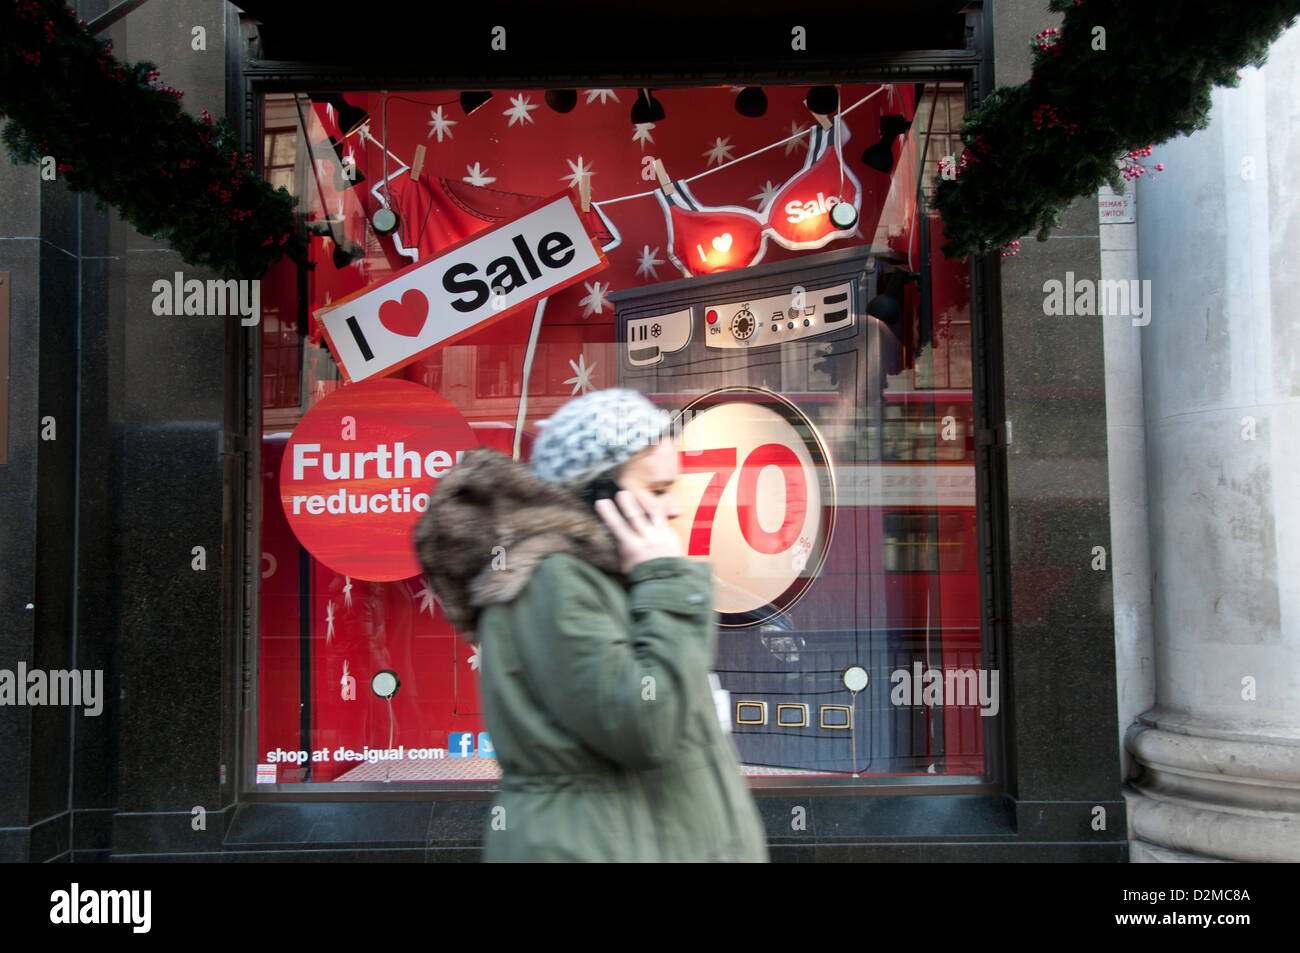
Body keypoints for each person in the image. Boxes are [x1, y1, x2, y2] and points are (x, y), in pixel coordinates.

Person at [414, 388, 768, 862]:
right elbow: (646, 725)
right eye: (658, 490)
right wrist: (666, 580)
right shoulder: (552, 581)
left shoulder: (605, 579)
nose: (675, 508)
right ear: (598, 494)